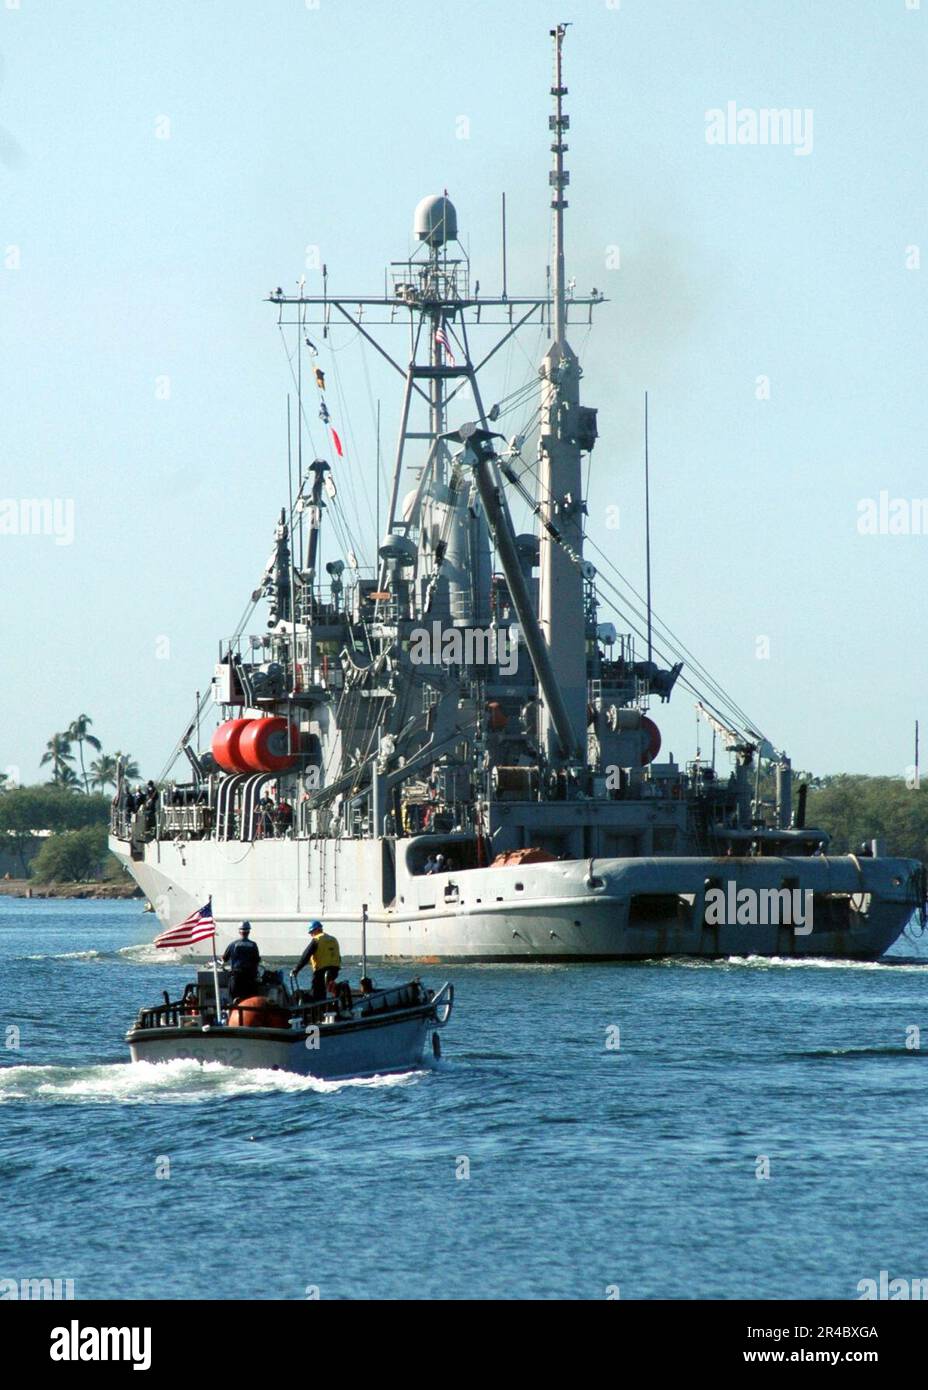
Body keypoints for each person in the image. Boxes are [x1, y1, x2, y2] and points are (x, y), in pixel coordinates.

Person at [291, 921, 341, 1001]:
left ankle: (318, 1009)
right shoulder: (333, 939)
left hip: (321, 971)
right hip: (334, 971)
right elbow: (338, 956)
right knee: (325, 989)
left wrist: (297, 969)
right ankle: (328, 1004)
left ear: (317, 930)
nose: (311, 934)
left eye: (311, 932)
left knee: (316, 993)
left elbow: (306, 955)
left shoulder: (317, 939)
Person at [222, 921, 261, 1000]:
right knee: (251, 1000)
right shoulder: (253, 945)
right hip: (250, 978)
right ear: (249, 931)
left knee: (233, 1000)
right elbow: (257, 960)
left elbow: (224, 958)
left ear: (239, 931)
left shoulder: (233, 944)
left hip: (236, 978)